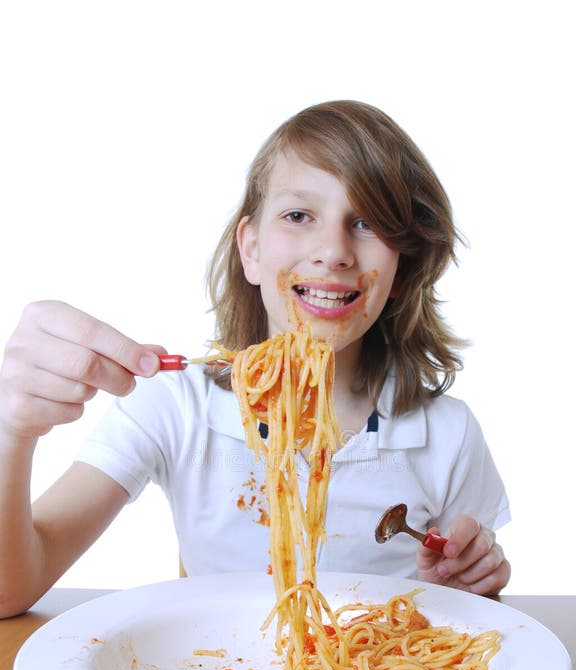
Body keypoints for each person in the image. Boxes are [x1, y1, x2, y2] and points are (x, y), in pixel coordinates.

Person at [0, 100, 511, 618]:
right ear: (251, 250)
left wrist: (474, 579)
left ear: (400, 271)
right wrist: (11, 433)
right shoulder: (174, 407)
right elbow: (8, 592)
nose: (333, 251)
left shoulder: (447, 436)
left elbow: (471, 611)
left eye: (366, 223)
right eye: (298, 216)